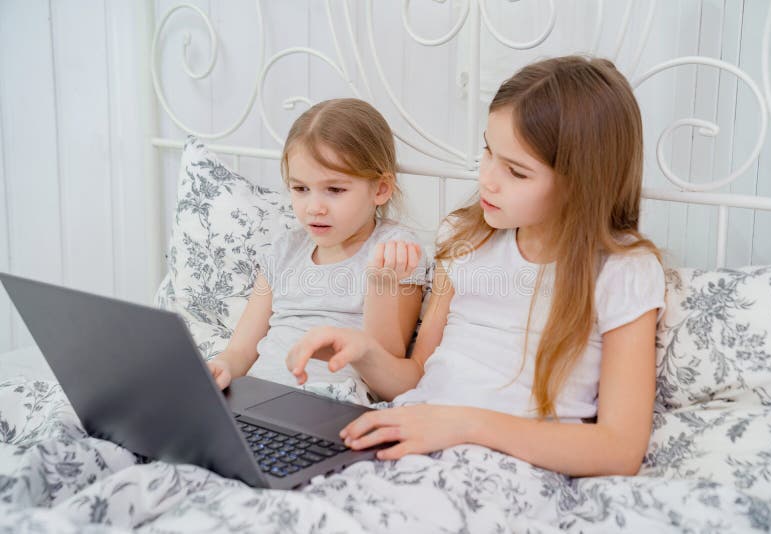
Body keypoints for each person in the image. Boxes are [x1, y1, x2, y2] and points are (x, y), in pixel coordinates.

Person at [285, 57, 666, 476]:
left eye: (516, 172)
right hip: (414, 432)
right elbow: (415, 378)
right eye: (488, 150)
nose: (486, 178)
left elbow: (619, 449)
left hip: (505, 466)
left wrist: (464, 424)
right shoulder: (466, 239)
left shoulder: (623, 271)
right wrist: (363, 352)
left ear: (582, 183)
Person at [208, 98, 427, 404]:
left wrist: (381, 283)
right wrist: (221, 366)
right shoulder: (285, 250)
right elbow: (241, 351)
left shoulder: (393, 251)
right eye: (300, 189)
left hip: (329, 402)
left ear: (380, 189)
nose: (314, 208)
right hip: (258, 398)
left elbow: (385, 371)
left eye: (335, 190)